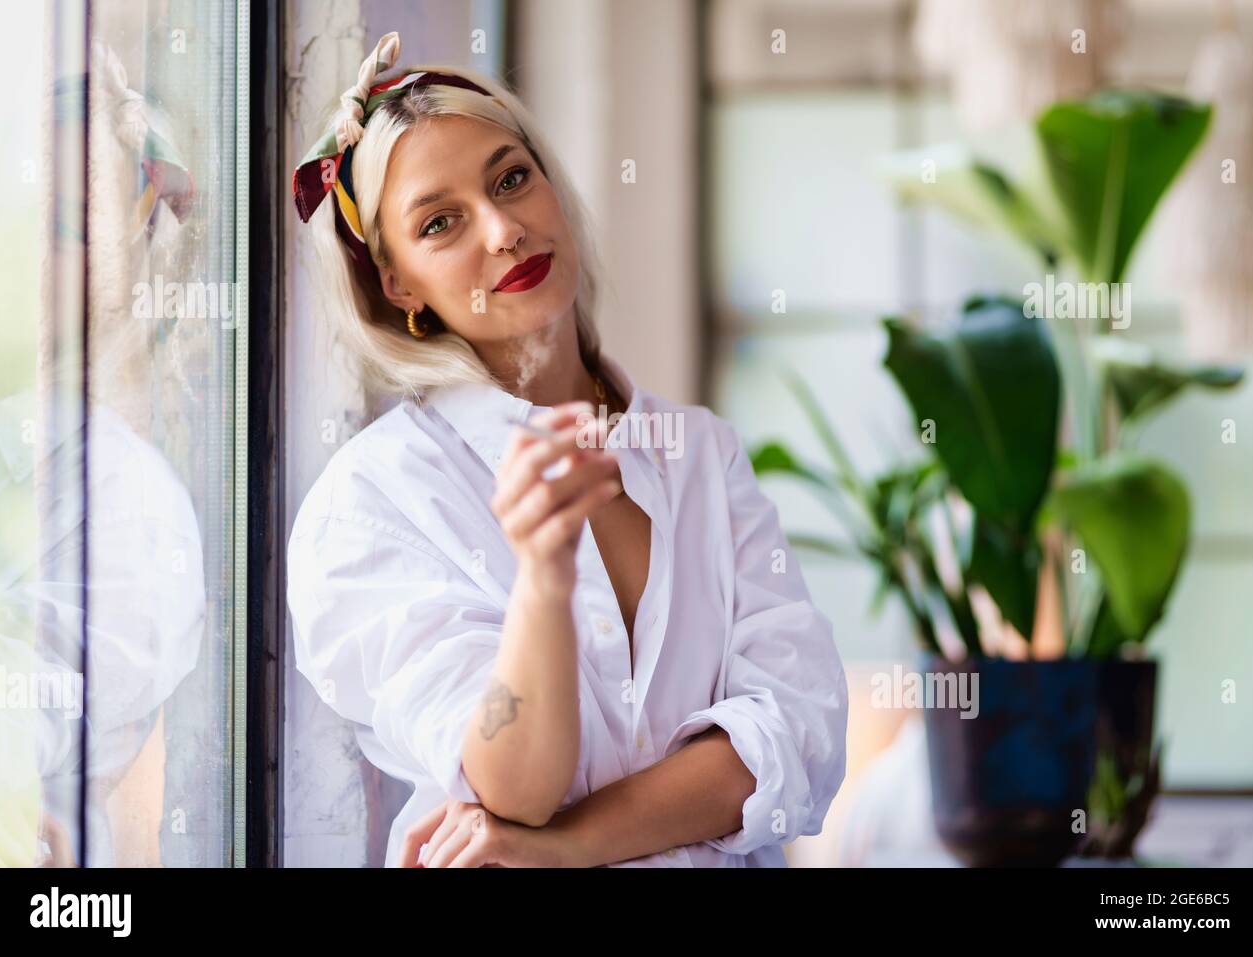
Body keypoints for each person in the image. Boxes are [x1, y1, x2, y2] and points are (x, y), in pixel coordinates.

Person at [286, 32, 848, 867]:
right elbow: (512, 781)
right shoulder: (374, 499)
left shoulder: (700, 455)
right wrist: (544, 581)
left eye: (512, 178)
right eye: (441, 223)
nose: (505, 229)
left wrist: (570, 845)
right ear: (397, 283)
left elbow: (796, 733)